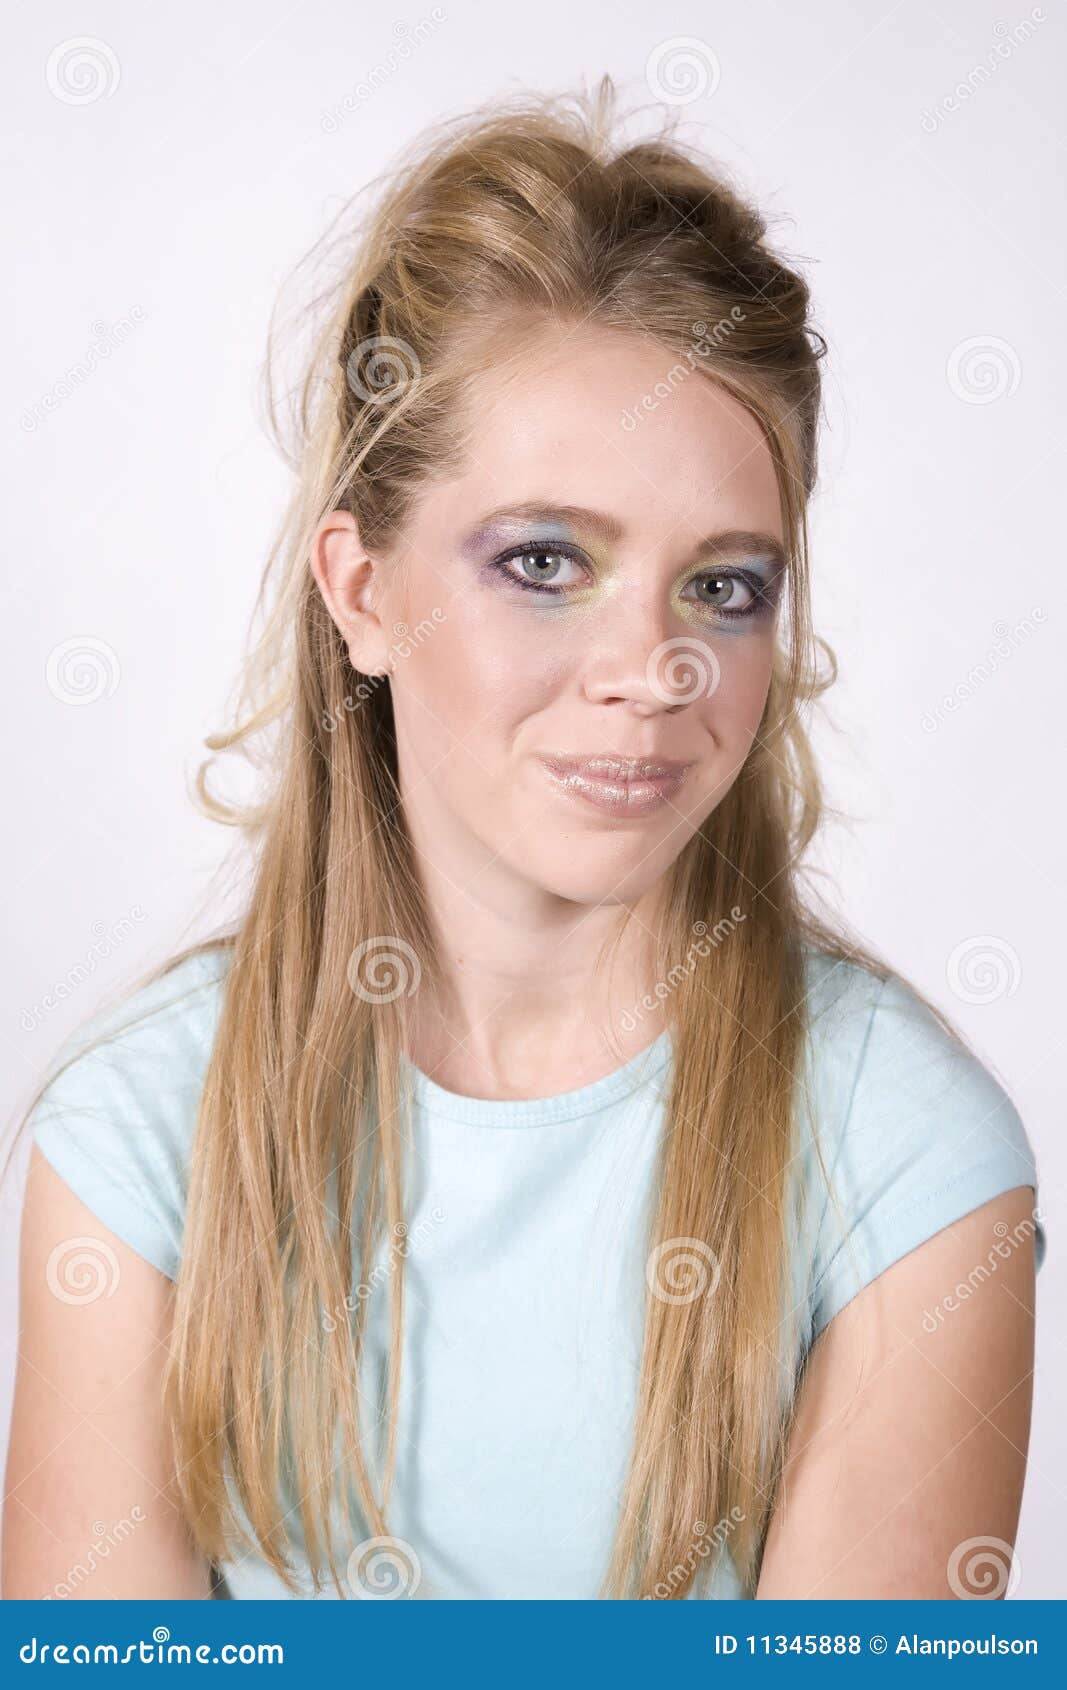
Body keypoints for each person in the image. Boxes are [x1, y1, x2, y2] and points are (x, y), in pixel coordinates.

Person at [4, 78, 1045, 1602]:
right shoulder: (137, 1141)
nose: (655, 670)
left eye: (725, 586)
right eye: (547, 561)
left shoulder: (910, 1160)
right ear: (362, 594)